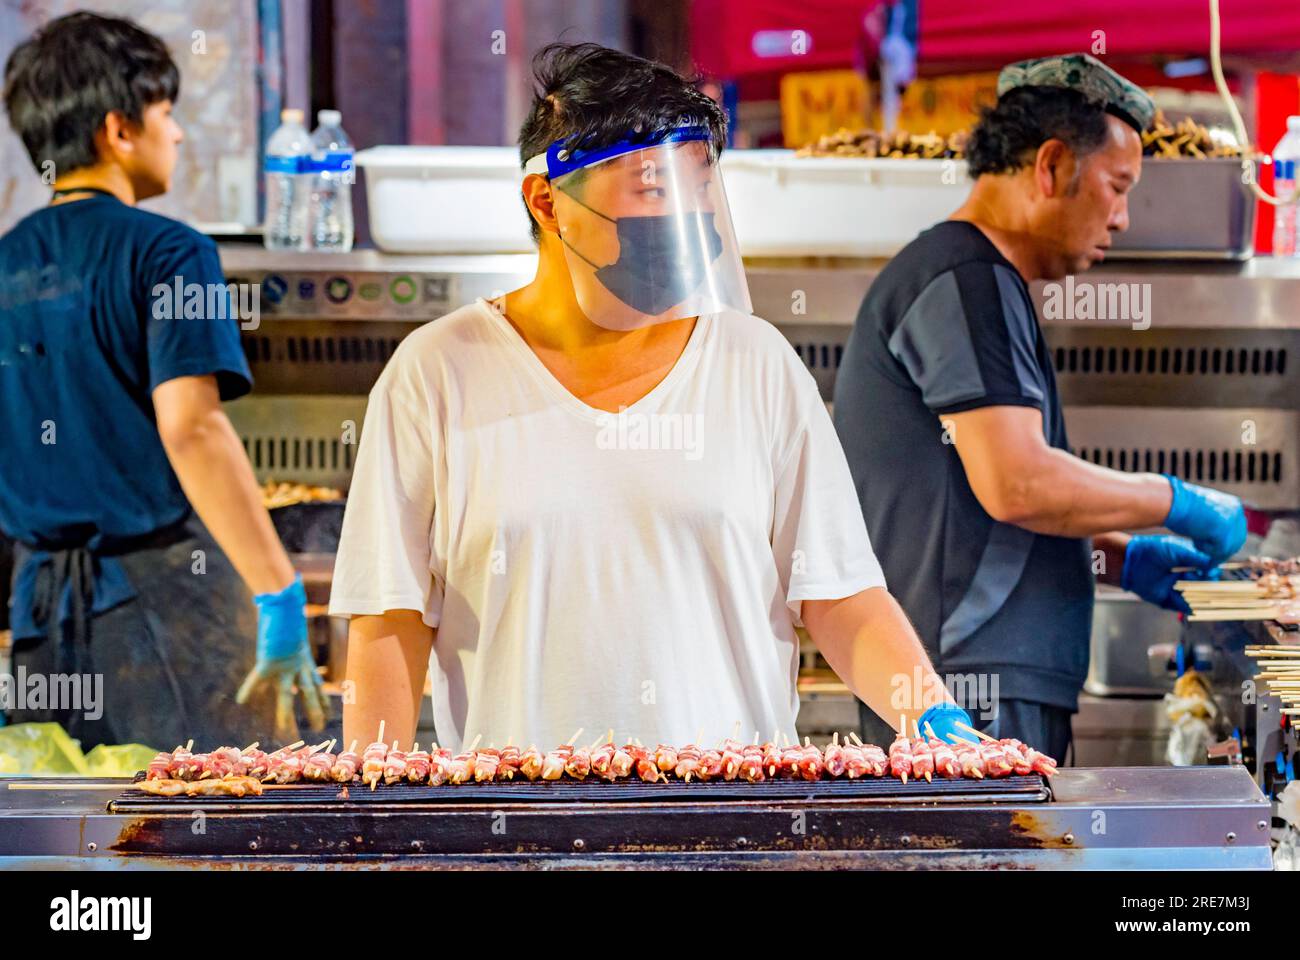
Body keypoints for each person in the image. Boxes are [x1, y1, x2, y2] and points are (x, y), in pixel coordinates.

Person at [330, 42, 972, 752]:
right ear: (547, 201)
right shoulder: (436, 374)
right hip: (523, 827)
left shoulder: (755, 366)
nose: (687, 215)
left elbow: (839, 597)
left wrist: (935, 717)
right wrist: (367, 805)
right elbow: (390, 620)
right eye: (655, 188)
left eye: (700, 188)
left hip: (733, 824)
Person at [832, 53, 1246, 760]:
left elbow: (972, 508)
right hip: (965, 688)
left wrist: (1122, 558)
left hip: (978, 674)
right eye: (1117, 187)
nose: (1121, 218)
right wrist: (1175, 500)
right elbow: (1017, 483)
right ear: (1052, 165)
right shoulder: (966, 280)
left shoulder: (971, 279)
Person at [0, 12, 324, 748]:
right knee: (203, 833)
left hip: (40, 620)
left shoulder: (5, 261)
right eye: (166, 113)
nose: (176, 133)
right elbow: (194, 426)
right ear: (118, 130)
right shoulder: (173, 252)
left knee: (63, 833)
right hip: (167, 610)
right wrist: (278, 591)